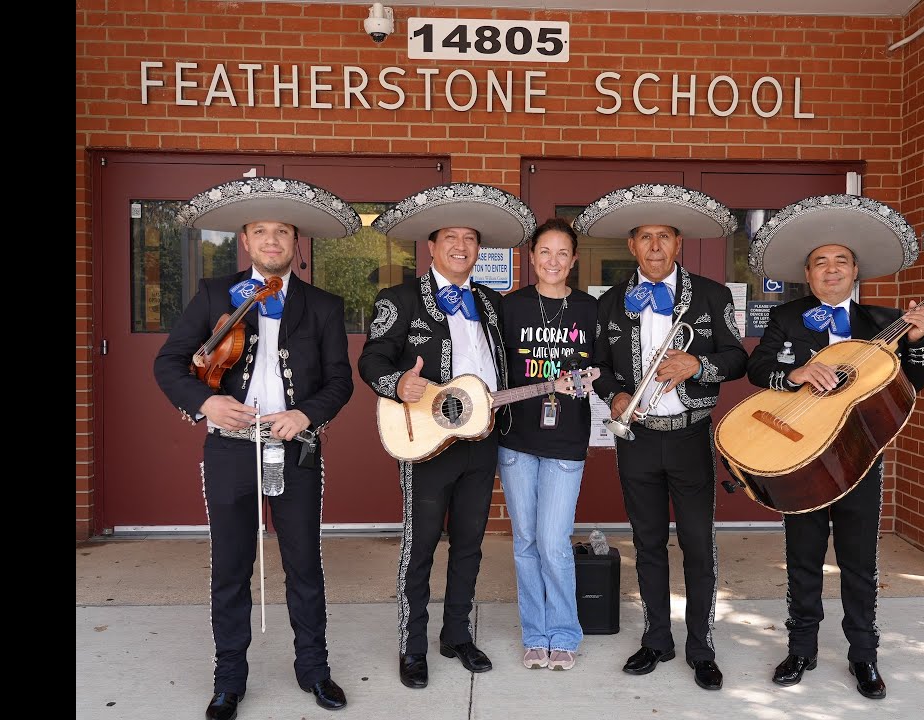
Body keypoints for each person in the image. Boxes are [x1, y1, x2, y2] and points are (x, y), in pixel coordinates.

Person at [154, 176, 360, 719]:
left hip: (295, 449)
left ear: (297, 242)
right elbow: (170, 363)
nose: (273, 240)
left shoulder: (323, 305)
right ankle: (229, 680)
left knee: (304, 565)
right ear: (245, 240)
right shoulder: (215, 296)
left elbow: (340, 380)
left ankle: (314, 670)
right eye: (261, 231)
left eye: (283, 232)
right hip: (229, 448)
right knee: (230, 566)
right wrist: (206, 404)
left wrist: (305, 414)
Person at [744, 194, 924, 701]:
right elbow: (756, 369)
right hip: (800, 457)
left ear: (856, 271)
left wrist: (917, 340)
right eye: (820, 263)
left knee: (859, 563)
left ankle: (863, 656)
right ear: (808, 275)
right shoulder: (787, 317)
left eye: (841, 261)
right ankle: (801, 648)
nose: (831, 270)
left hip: (859, 459)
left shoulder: (884, 321)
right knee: (802, 558)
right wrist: (795, 373)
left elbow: (914, 381)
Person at [358, 182, 536, 690]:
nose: (462, 246)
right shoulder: (399, 299)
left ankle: (455, 634)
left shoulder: (491, 302)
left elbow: (500, 370)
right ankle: (412, 648)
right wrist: (399, 383)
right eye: (451, 238)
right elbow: (370, 359)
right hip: (425, 443)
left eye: (471, 239)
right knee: (419, 548)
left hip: (480, 441)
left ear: (479, 250)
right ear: (432, 247)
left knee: (471, 544)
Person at [574, 184, 749, 691]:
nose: (654, 246)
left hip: (691, 435)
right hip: (638, 439)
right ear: (631, 246)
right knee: (648, 544)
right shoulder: (608, 302)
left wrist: (699, 362)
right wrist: (613, 397)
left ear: (679, 244)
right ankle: (656, 639)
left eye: (665, 237)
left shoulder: (712, 295)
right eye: (645, 237)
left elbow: (737, 359)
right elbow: (596, 366)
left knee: (697, 545)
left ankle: (701, 645)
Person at [497, 217, 598, 671]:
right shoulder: (510, 307)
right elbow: (493, 371)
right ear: (531, 257)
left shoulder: (590, 310)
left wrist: (593, 385)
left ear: (573, 260)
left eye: (563, 253)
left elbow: (607, 369)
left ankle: (565, 632)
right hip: (516, 439)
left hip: (566, 442)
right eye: (545, 252)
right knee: (525, 540)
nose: (553, 261)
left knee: (553, 542)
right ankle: (535, 634)